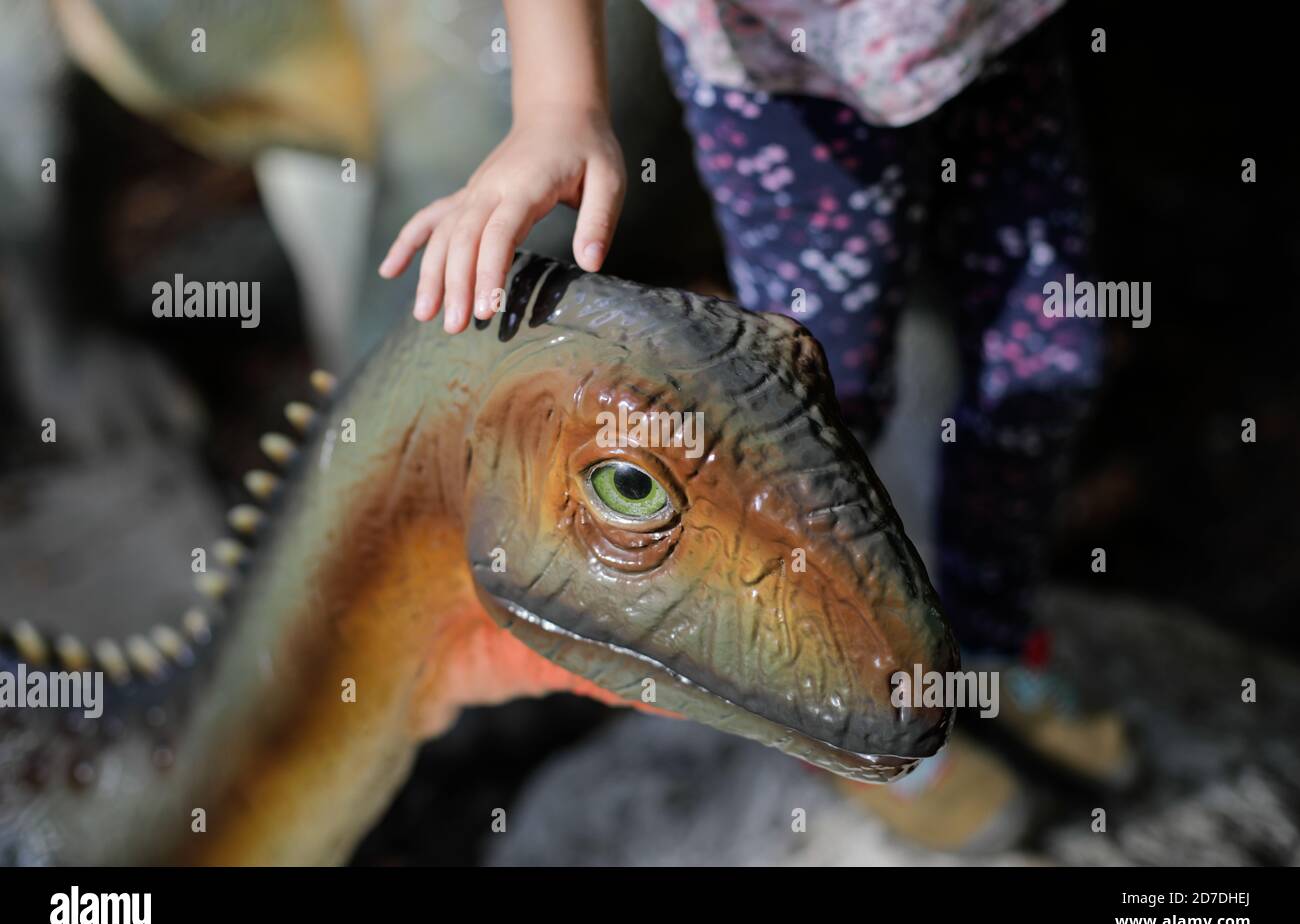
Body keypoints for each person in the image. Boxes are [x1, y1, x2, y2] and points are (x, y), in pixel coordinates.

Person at [378, 0, 1134, 852]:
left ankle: (993, 641)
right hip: (790, 78)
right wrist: (559, 105)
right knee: (812, 418)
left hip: (993, 36)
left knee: (1046, 362)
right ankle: (839, 702)